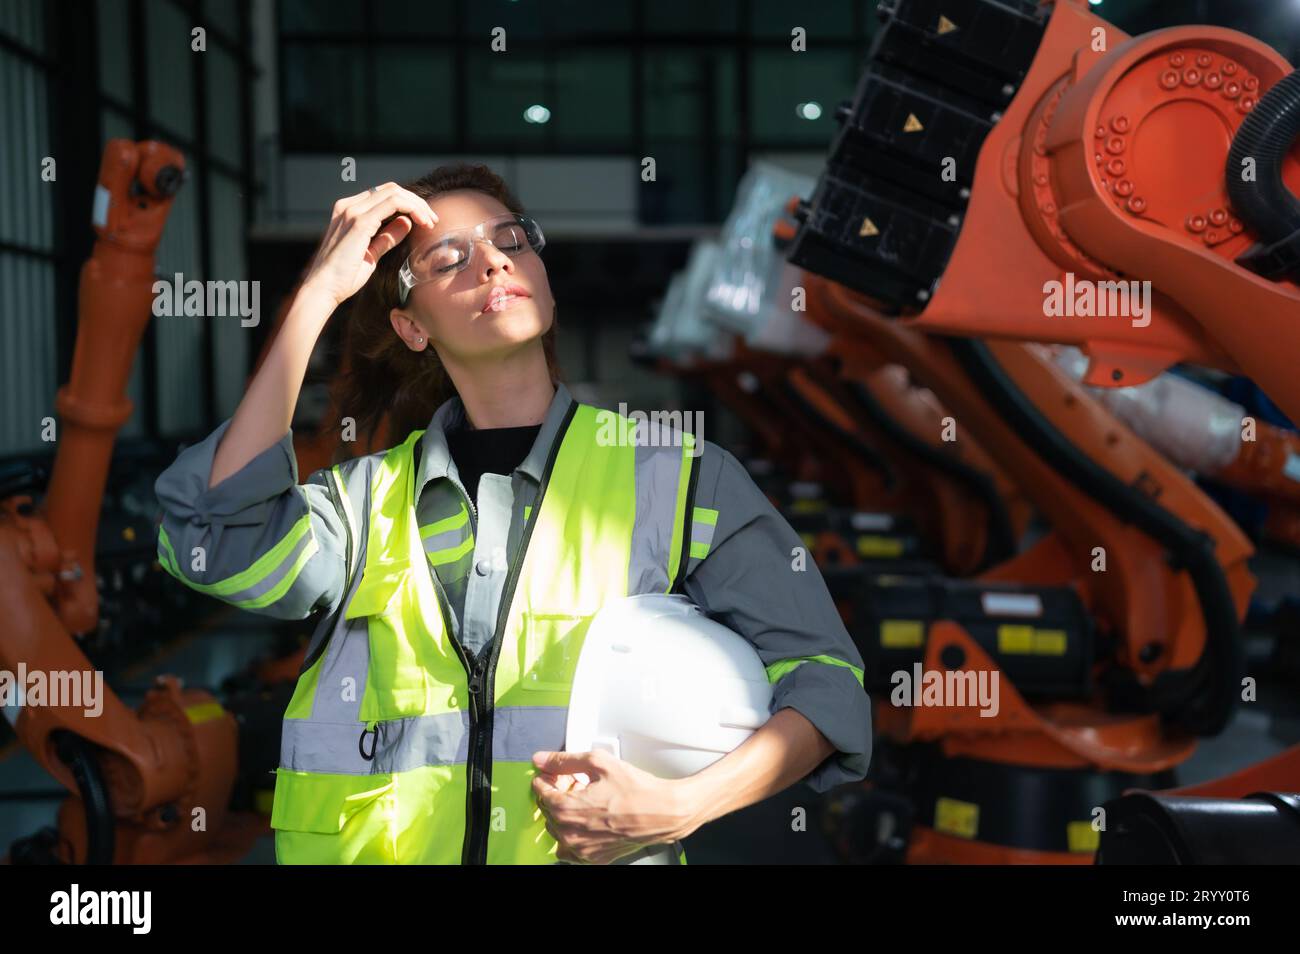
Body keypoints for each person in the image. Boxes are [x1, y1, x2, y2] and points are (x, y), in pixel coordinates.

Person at [153, 162, 872, 865]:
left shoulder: (681, 479)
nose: (493, 264)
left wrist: (683, 806)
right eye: (448, 259)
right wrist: (315, 295)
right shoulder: (361, 504)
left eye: (511, 241)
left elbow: (825, 682)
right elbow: (217, 540)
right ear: (411, 328)